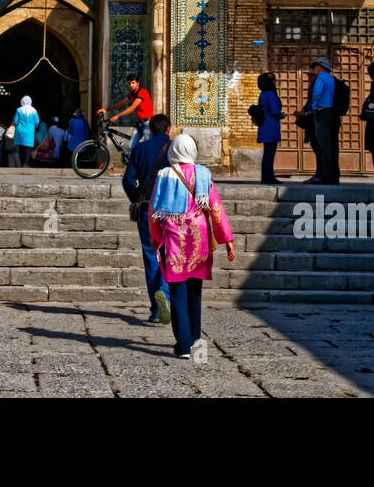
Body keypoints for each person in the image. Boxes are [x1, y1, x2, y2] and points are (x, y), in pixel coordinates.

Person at [148, 133, 235, 358]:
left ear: (173, 151)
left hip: (174, 238)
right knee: (195, 292)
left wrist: (156, 239)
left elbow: (153, 212)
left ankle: (184, 344)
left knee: (177, 292)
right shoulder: (203, 174)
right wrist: (227, 238)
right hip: (199, 238)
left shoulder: (164, 174)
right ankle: (194, 339)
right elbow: (215, 208)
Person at [122, 114, 173, 324]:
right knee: (171, 254)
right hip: (173, 209)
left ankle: (157, 307)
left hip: (148, 210)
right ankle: (168, 297)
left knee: (151, 255)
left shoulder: (140, 149)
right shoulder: (176, 150)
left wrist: (137, 198)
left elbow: (128, 180)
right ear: (169, 129)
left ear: (150, 130)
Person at [296, 58, 337, 184]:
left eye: (316, 67)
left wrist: (312, 109)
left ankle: (324, 176)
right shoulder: (331, 78)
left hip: (321, 112)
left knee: (322, 147)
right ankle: (330, 175)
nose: (314, 70)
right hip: (330, 113)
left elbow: (317, 94)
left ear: (321, 67)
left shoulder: (320, 79)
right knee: (327, 147)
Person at [98, 75, 153, 149]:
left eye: (133, 83)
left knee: (149, 146)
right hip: (139, 122)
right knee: (132, 146)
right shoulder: (132, 94)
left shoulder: (142, 92)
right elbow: (121, 103)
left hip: (147, 123)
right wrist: (106, 110)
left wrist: (118, 116)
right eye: (129, 83)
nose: (131, 85)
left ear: (138, 83)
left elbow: (132, 108)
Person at [255, 73, 286, 183]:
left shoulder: (262, 94)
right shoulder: (271, 95)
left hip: (264, 126)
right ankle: (269, 177)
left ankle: (266, 176)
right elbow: (275, 111)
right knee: (269, 154)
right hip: (271, 126)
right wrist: (282, 115)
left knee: (267, 154)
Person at [12, 96, 39, 165]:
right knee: (28, 148)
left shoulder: (18, 110)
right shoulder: (34, 110)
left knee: (20, 148)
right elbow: (37, 121)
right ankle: (25, 164)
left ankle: (21, 164)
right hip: (29, 132)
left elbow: (15, 121)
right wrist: (33, 126)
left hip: (20, 132)